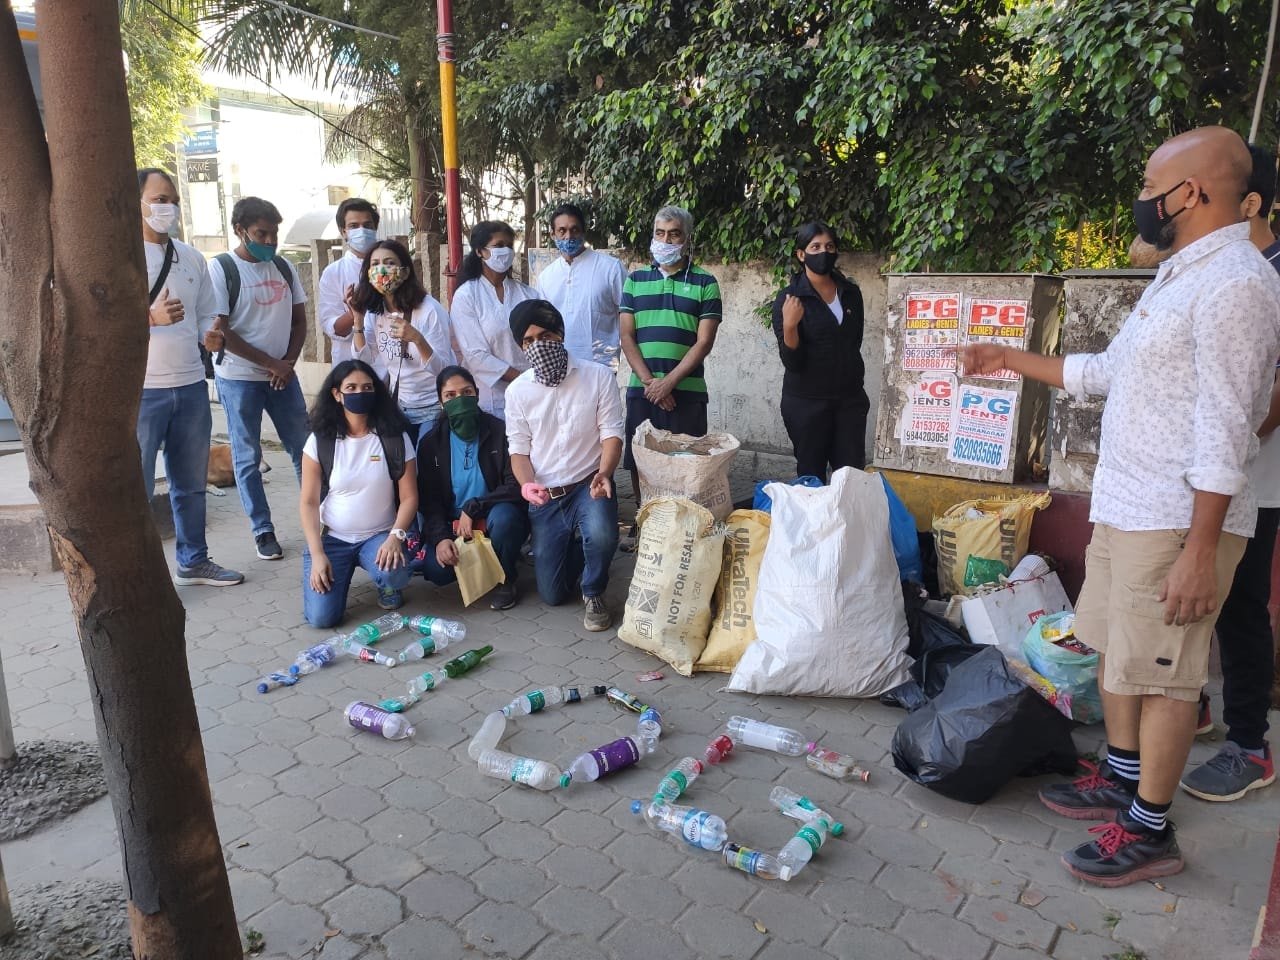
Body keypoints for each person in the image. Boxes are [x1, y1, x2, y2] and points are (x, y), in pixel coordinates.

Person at [961, 126, 1280, 887]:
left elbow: (1226, 431)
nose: (1140, 200)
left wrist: (1200, 551)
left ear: (1190, 194)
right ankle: (1122, 774)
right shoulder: (1179, 274)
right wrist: (1009, 359)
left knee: (1165, 678)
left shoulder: (1237, 283)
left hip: (1175, 521)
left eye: (1148, 187)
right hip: (1127, 506)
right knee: (1115, 651)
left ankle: (1149, 829)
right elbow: (1106, 371)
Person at [1179, 143, 1280, 802]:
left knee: (1239, 605)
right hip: (1202, 471)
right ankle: (1191, 707)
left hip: (1253, 477)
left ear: (1250, 202)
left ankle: (1250, 745)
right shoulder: (1209, 266)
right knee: (1194, 598)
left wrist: (1231, 450)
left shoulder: (1268, 275)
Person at [136, 167, 242, 587]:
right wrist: (150, 317)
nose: (169, 208)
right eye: (160, 199)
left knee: (190, 483)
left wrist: (210, 337)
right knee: (137, 488)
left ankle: (194, 561)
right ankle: (139, 575)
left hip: (191, 386)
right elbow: (99, 325)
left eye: (174, 201)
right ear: (136, 203)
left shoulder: (192, 258)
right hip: (142, 391)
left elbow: (204, 317)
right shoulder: (120, 257)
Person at [505, 300, 625, 631]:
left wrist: (605, 472)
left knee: (601, 533)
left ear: (560, 334)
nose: (538, 345)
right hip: (547, 495)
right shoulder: (517, 392)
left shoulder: (598, 376)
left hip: (589, 484)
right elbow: (519, 450)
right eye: (528, 341)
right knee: (553, 594)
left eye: (545, 336)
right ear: (521, 347)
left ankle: (594, 590)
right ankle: (585, 548)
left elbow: (612, 434)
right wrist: (527, 485)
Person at [205, 196, 310, 562]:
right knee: (247, 455)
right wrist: (270, 363)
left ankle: (322, 519)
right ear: (241, 230)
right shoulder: (222, 269)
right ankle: (262, 529)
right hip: (239, 378)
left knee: (304, 449)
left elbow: (300, 321)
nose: (269, 241)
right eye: (261, 234)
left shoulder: (283, 267)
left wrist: (287, 363)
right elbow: (222, 330)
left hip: (283, 375)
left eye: (273, 234)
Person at [298, 360, 419, 627]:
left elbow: (410, 497)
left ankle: (386, 585)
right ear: (336, 394)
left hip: (379, 536)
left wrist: (396, 536)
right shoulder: (320, 441)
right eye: (351, 387)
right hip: (334, 538)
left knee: (395, 573)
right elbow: (308, 502)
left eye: (367, 387)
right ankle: (331, 573)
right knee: (322, 619)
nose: (360, 393)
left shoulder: (394, 437)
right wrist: (317, 554)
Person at [619, 204, 722, 500]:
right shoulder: (635, 280)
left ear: (687, 239)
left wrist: (669, 383)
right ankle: (643, 518)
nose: (666, 240)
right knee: (641, 460)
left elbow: (704, 342)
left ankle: (682, 520)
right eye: (660, 233)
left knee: (686, 462)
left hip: (686, 392)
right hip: (643, 390)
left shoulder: (706, 283)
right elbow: (626, 336)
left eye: (674, 234)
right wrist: (652, 384)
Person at [416, 365, 529, 610]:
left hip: (493, 516)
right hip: (455, 526)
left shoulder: (499, 432)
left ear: (477, 394)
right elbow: (429, 502)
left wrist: (474, 507)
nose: (460, 400)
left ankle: (506, 578)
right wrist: (441, 539)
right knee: (437, 571)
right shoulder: (431, 444)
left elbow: (515, 485)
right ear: (441, 402)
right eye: (451, 395)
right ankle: (481, 568)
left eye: (466, 392)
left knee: (506, 519)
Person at [770, 221, 869, 478]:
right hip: (807, 404)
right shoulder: (790, 299)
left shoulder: (851, 293)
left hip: (849, 402)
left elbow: (853, 343)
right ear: (801, 254)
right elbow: (792, 361)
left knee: (850, 476)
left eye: (829, 246)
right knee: (811, 477)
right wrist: (790, 325)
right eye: (815, 247)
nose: (823, 252)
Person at [348, 239, 455, 442]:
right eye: (375, 264)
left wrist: (417, 339)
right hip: (400, 405)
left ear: (405, 272)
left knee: (424, 456)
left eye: (389, 263)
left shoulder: (429, 310)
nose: (382, 270)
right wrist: (358, 320)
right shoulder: (374, 312)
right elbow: (364, 361)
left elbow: (444, 370)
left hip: (434, 407)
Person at [452, 221, 538, 418]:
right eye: (499, 245)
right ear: (480, 251)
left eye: (509, 246)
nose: (505, 251)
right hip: (491, 399)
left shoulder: (528, 294)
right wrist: (523, 380)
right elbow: (476, 355)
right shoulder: (467, 296)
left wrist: (535, 382)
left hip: (532, 394)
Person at [536, 202, 627, 367]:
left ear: (584, 232)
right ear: (552, 234)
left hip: (603, 365)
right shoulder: (546, 277)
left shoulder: (611, 268)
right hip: (560, 366)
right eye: (562, 231)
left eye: (574, 229)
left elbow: (627, 315)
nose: (568, 236)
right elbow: (544, 326)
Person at [317, 198, 380, 367]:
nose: (362, 231)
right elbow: (333, 327)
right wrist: (355, 312)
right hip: (351, 366)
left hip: (392, 366)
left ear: (375, 228)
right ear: (343, 232)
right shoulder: (333, 273)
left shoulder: (392, 267)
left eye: (367, 225)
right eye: (354, 226)